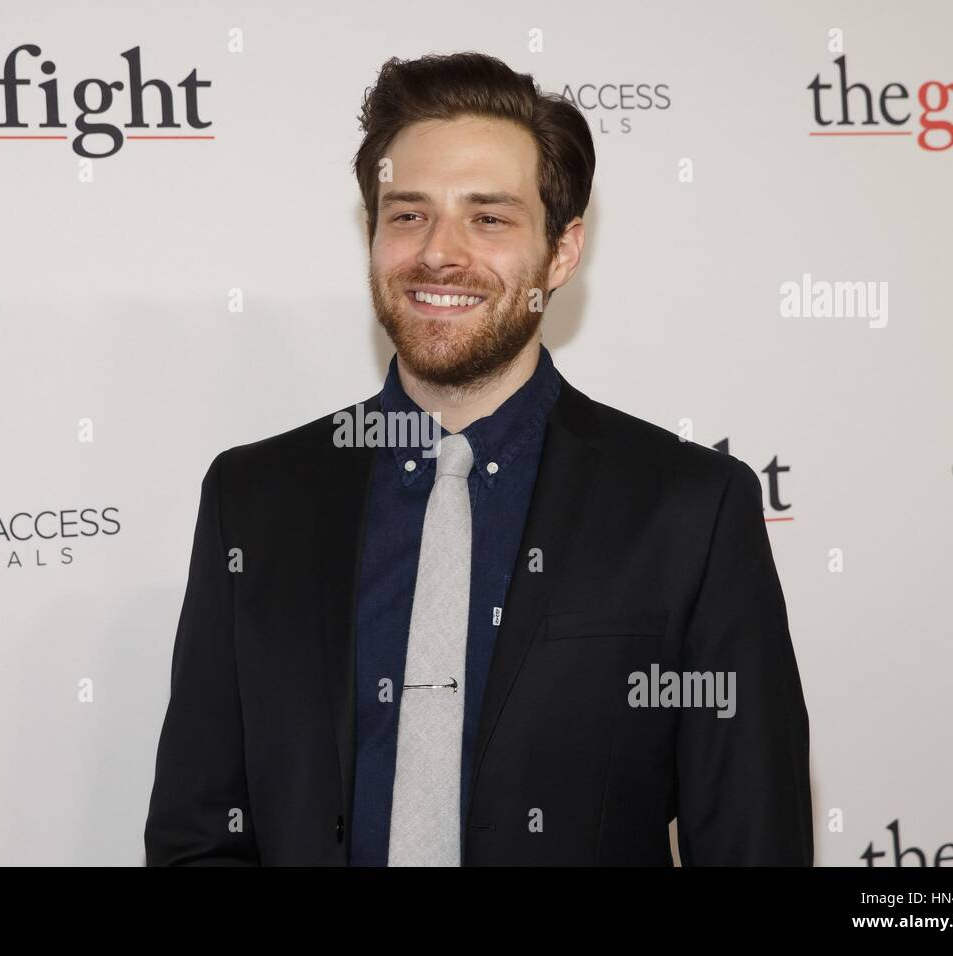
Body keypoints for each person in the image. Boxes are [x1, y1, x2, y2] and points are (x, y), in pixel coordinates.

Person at [144, 51, 812, 866]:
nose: (440, 253)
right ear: (372, 234)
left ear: (561, 253)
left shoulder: (689, 509)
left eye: (489, 218)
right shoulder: (254, 499)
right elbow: (197, 832)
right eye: (408, 214)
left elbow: (751, 840)